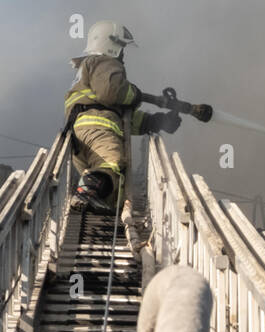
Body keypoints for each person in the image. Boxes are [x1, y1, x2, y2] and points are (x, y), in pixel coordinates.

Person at [63, 20, 183, 213]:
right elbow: (112, 92)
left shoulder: (86, 71)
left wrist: (155, 121)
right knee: (112, 162)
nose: (123, 54)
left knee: (110, 183)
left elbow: (119, 117)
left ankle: (94, 198)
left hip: (81, 136)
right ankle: (86, 191)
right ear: (111, 46)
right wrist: (134, 94)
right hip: (98, 130)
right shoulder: (104, 62)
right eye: (122, 48)